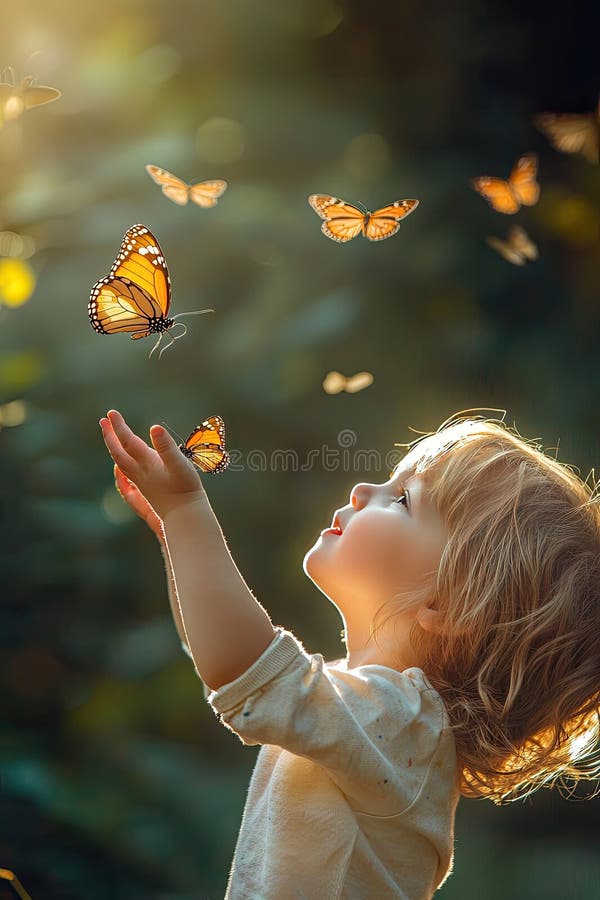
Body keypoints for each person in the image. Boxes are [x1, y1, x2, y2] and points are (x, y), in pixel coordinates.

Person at [99, 408, 600, 899]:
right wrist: (181, 546)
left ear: (447, 601)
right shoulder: (373, 711)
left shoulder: (405, 724)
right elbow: (227, 668)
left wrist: (188, 514)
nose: (363, 490)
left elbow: (243, 668)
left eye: (404, 500)